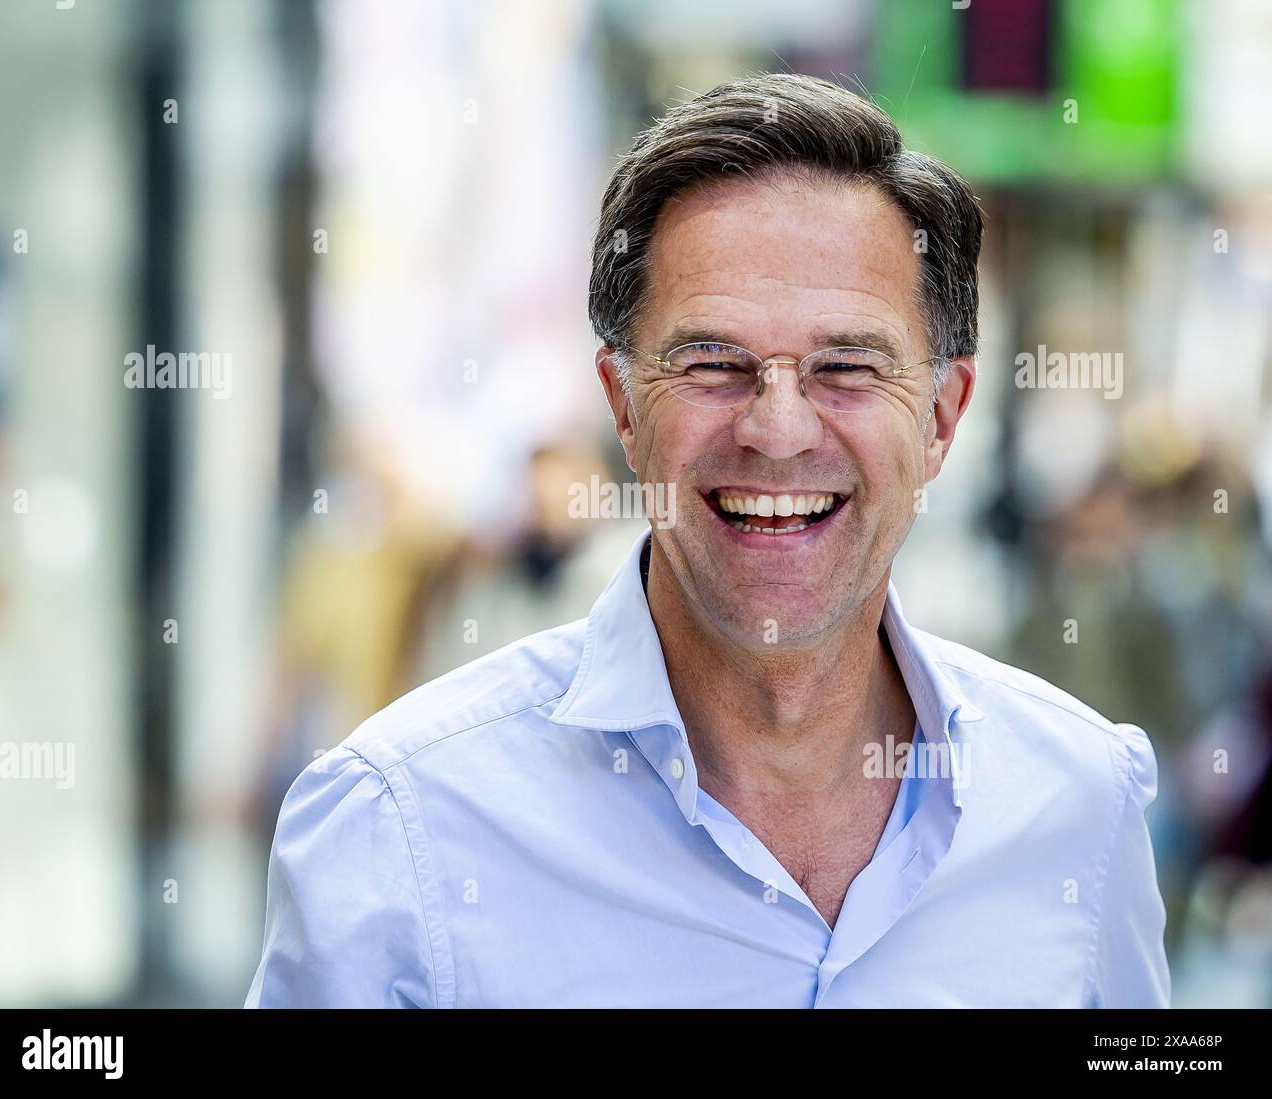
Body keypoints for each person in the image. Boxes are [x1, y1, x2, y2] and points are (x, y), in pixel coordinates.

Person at [246, 73, 1170, 1007]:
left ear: (941, 416)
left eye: (846, 366)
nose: (778, 429)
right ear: (622, 407)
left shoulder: (1081, 807)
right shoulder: (399, 829)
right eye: (713, 363)